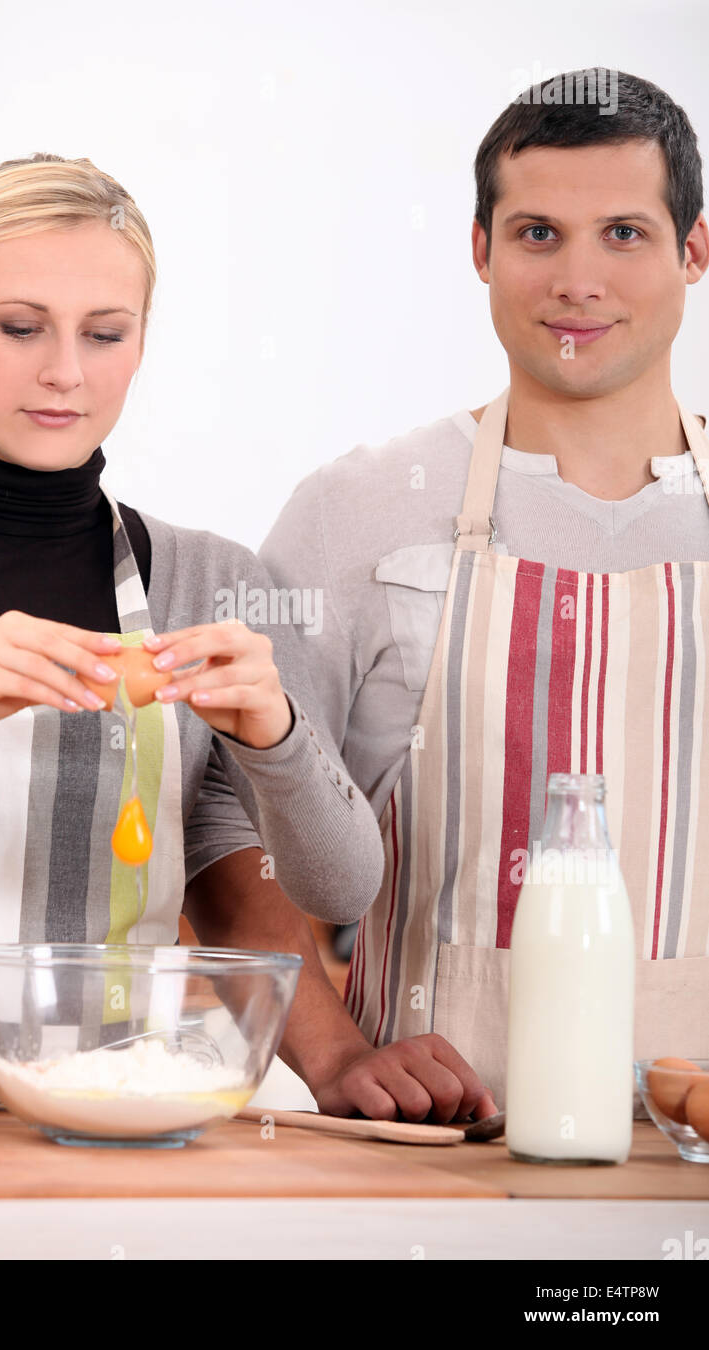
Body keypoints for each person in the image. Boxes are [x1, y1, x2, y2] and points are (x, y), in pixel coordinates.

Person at [0, 154, 385, 1101]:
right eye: (18, 328)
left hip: (108, 1107)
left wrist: (277, 735)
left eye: (104, 334)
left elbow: (341, 890)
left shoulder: (209, 579)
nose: (63, 373)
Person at [258, 68, 709, 1114]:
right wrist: (330, 1054)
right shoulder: (354, 512)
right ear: (480, 249)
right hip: (430, 1164)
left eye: (624, 235)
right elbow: (224, 824)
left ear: (695, 249)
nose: (577, 280)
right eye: (537, 233)